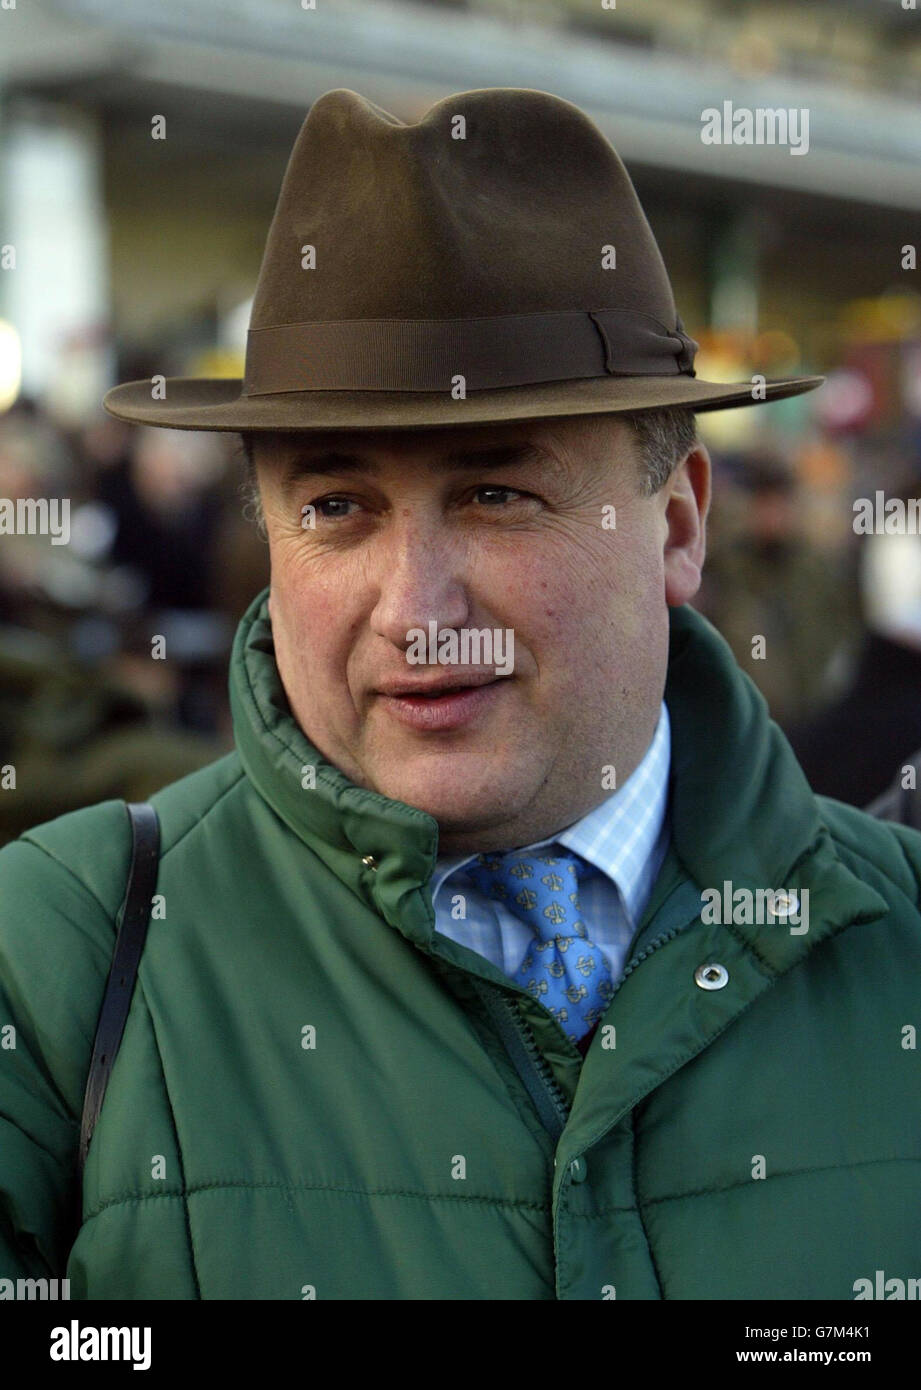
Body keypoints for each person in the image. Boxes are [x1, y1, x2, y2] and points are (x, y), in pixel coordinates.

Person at [1, 86, 919, 1302]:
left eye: (498, 496)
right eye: (337, 508)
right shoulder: (54, 959)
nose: (417, 611)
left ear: (679, 526)